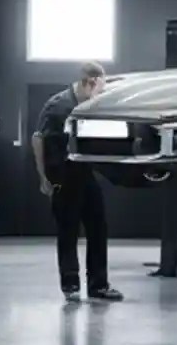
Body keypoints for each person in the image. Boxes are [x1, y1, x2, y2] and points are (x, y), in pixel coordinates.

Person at [32, 62, 124, 303]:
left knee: (98, 228)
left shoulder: (89, 105)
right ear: (90, 82)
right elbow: (37, 139)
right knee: (68, 232)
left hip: (84, 174)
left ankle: (98, 285)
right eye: (100, 88)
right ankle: (70, 285)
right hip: (62, 176)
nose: (101, 93)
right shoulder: (58, 106)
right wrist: (43, 178)